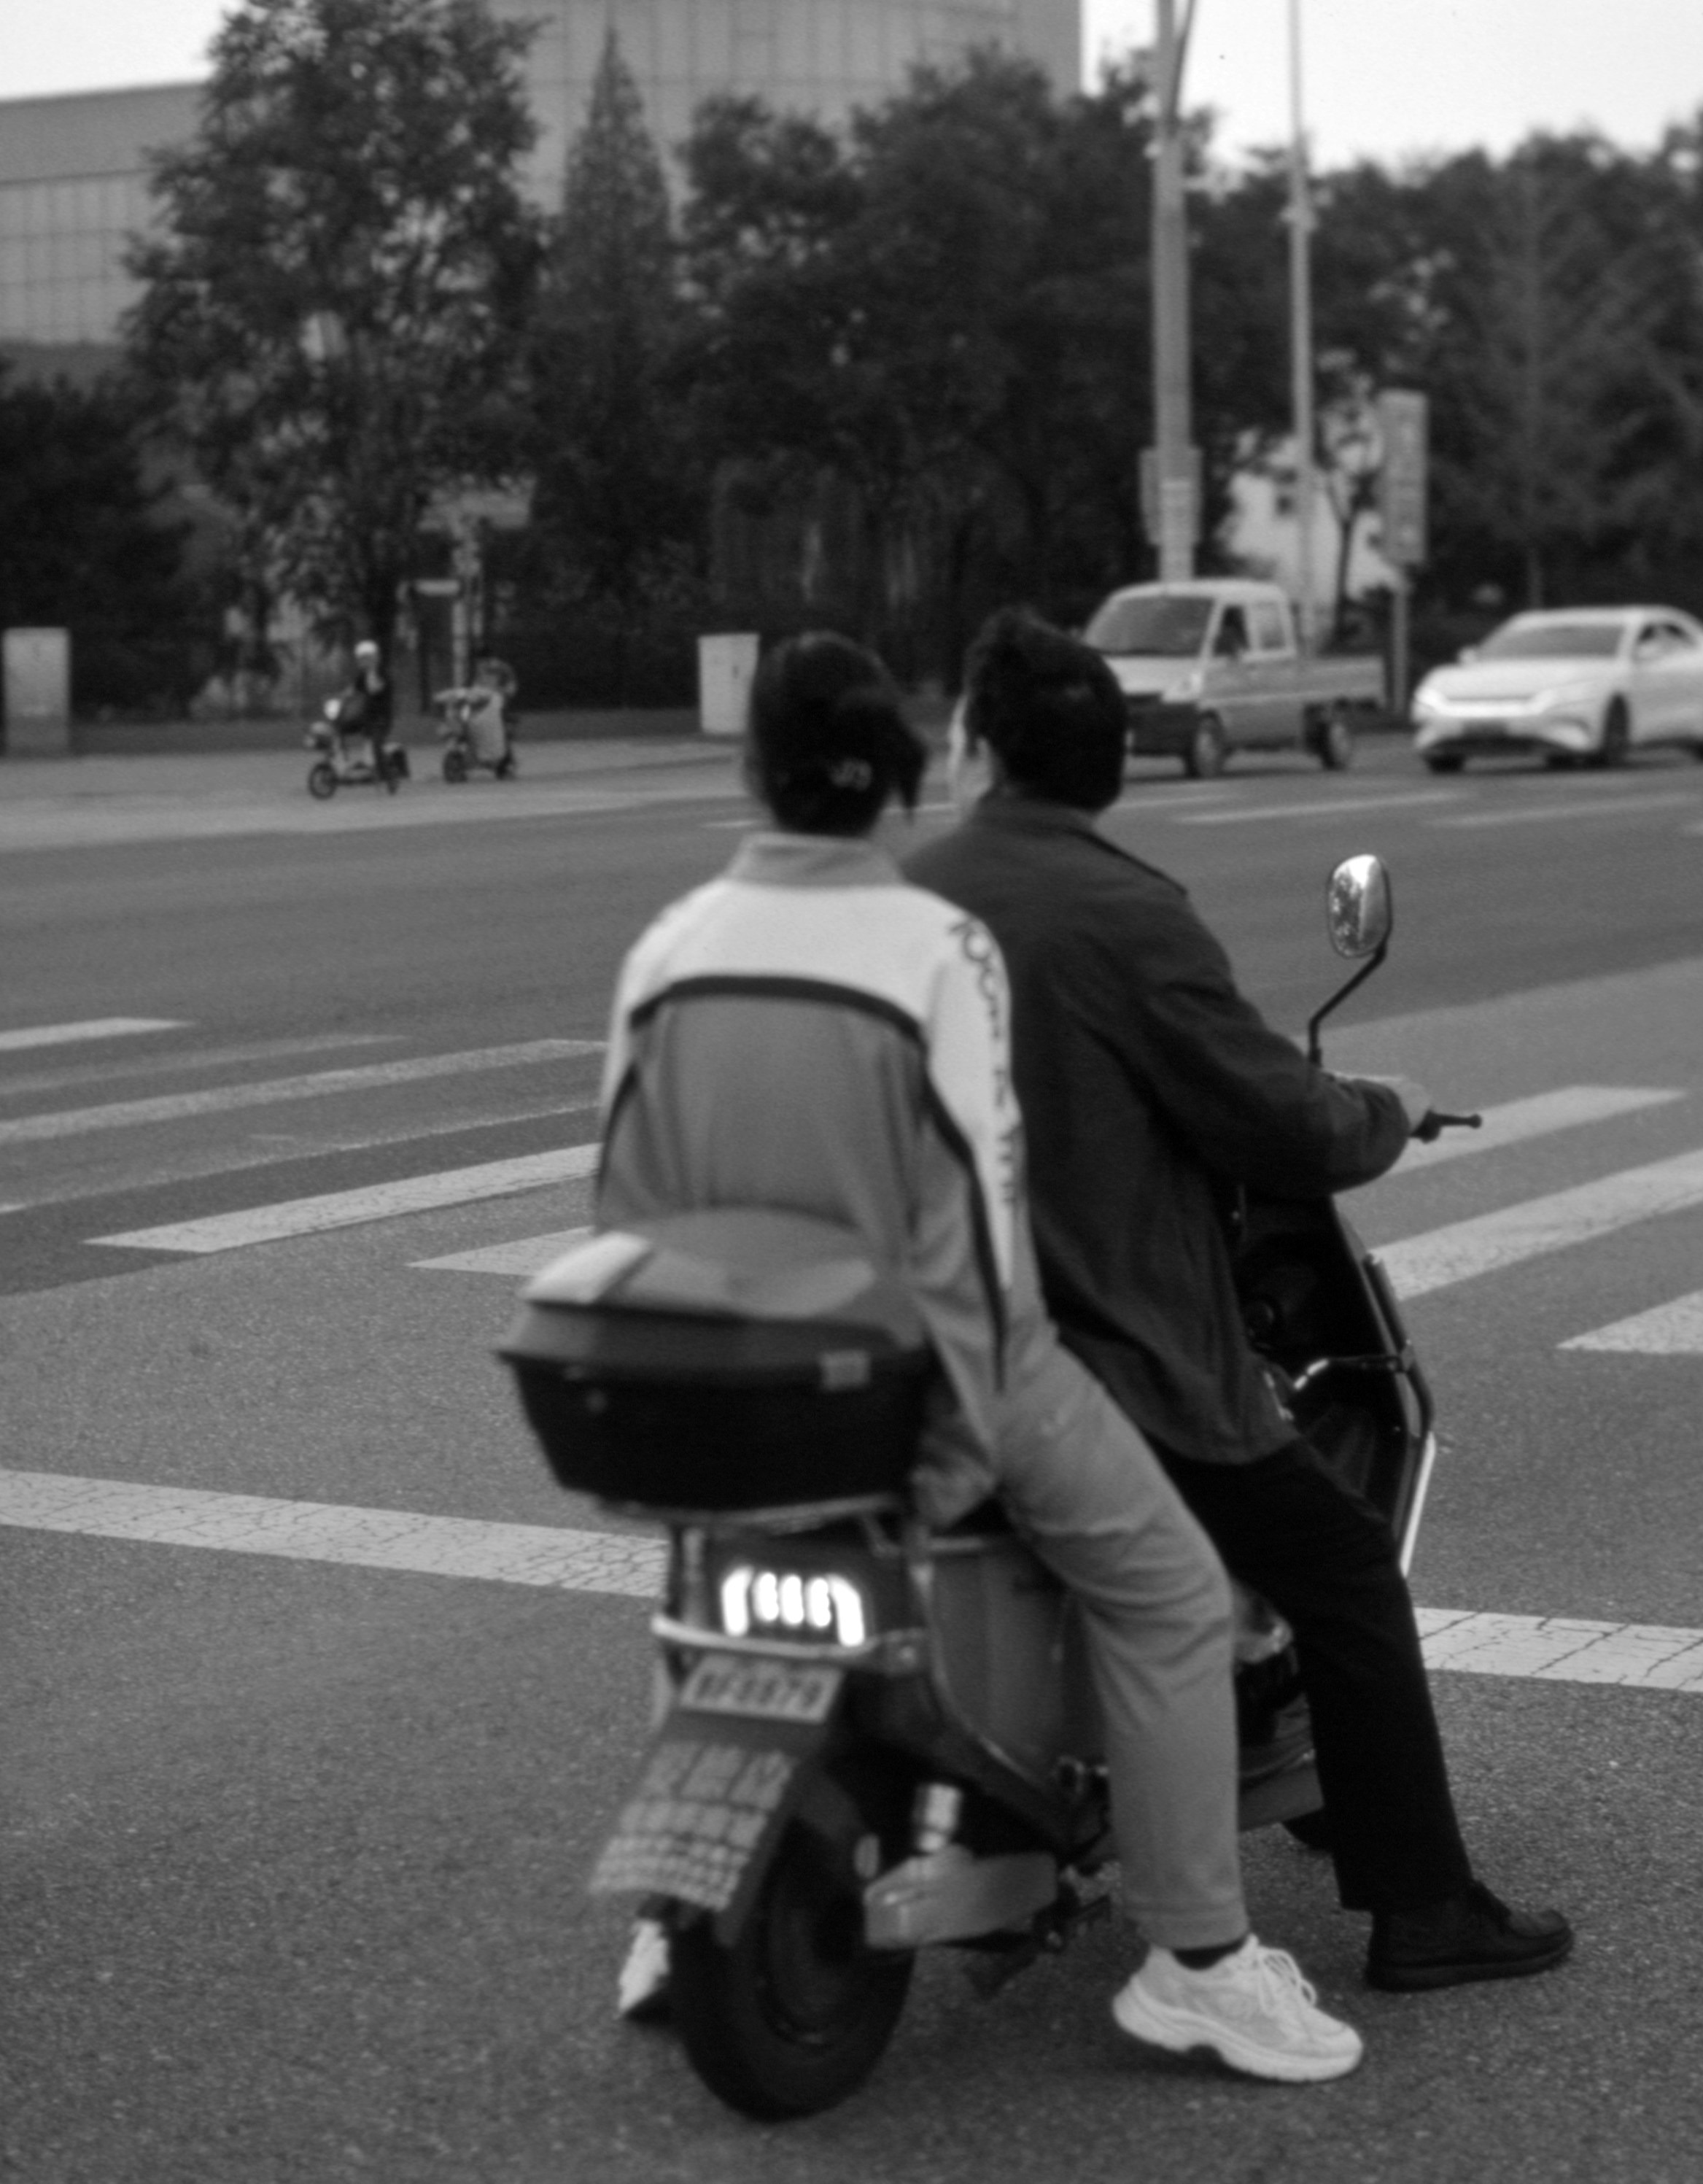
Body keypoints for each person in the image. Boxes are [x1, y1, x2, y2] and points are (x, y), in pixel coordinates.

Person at [594, 630, 1362, 2085]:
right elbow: (973, 1229)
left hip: (731, 1376)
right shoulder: (929, 951)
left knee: (704, 1593)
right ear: (902, 783)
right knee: (1172, 1588)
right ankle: (1198, 1957)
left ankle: (672, 1899)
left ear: (752, 771)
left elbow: (628, 1205)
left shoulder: (669, 947)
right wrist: (956, 1437)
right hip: (917, 1371)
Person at [906, 610, 1574, 1994]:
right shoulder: (1121, 909)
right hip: (1107, 1362)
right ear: (1109, 771)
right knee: (1343, 1576)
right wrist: (1382, 1109)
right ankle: (1424, 1906)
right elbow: (1279, 1119)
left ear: (977, 751)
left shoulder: (906, 898)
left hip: (909, 1354)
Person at [341, 638, 401, 779]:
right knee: (340, 728)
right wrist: (339, 697)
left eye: (366, 658)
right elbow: (352, 690)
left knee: (376, 743)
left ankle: (384, 773)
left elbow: (375, 688)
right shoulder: (362, 676)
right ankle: (341, 764)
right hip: (366, 717)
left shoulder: (383, 674)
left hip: (381, 719)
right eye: (360, 659)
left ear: (374, 658)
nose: (362, 662)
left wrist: (372, 671)